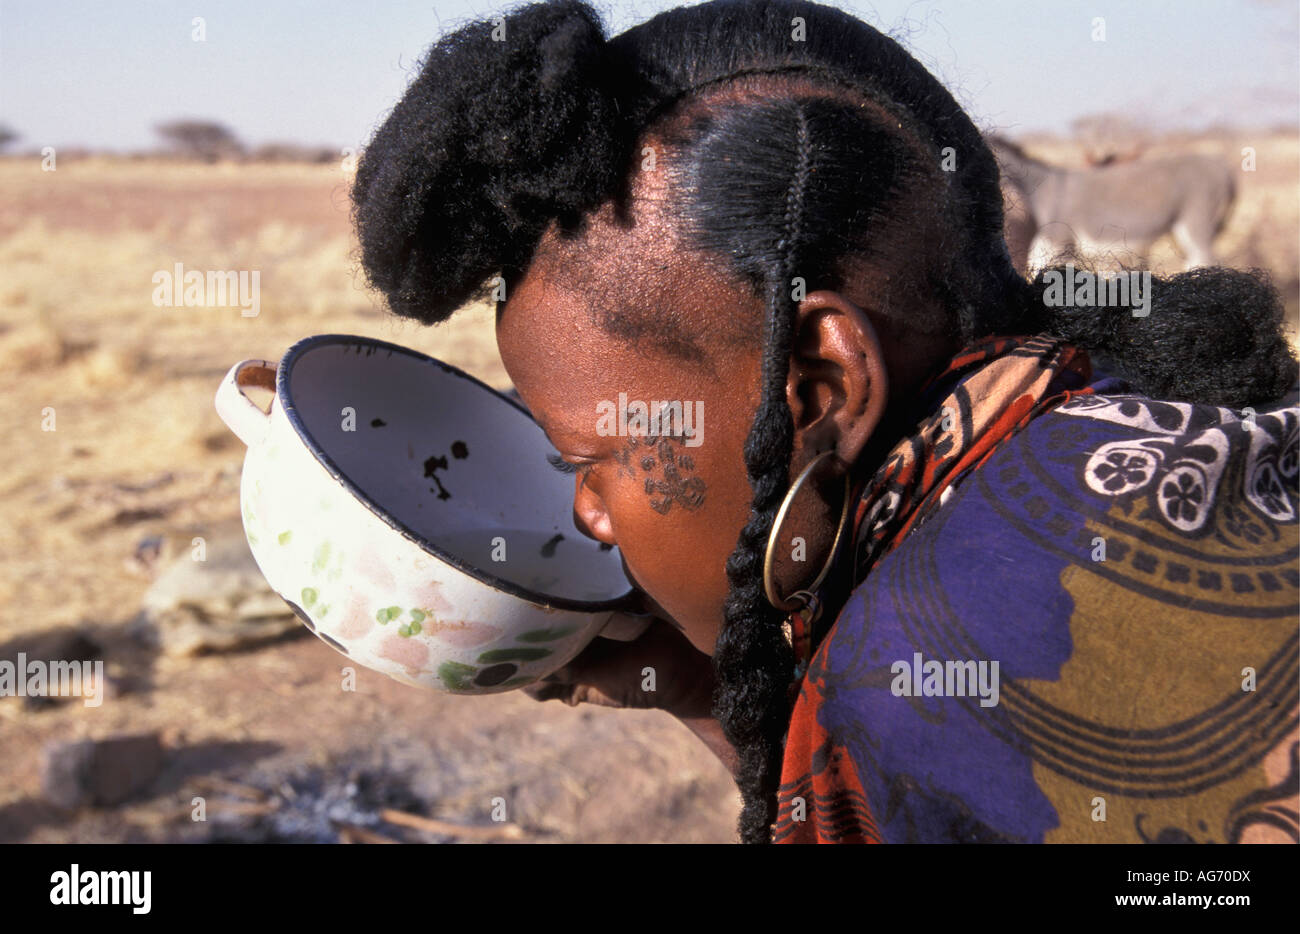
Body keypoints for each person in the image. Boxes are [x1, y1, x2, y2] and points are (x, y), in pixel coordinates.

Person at [350, 0, 1299, 843]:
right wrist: (716, 695)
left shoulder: (928, 654)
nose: (590, 514)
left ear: (819, 391)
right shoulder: (1092, 413)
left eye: (589, 460)